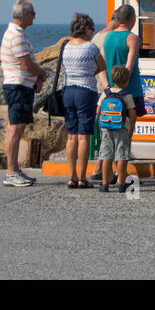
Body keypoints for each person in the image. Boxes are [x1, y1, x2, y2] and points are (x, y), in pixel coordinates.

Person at [1, 0, 46, 187]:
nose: (35, 17)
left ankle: (15, 170)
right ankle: (11, 172)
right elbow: (25, 64)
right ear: (25, 14)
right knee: (16, 128)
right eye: (33, 13)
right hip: (17, 86)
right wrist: (42, 73)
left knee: (18, 128)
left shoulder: (17, 33)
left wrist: (35, 79)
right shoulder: (16, 35)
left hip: (22, 86)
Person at [62, 13, 107, 188]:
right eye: (92, 29)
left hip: (68, 90)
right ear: (86, 29)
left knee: (71, 135)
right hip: (85, 91)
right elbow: (101, 67)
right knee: (84, 136)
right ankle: (82, 177)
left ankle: (71, 176)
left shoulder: (65, 47)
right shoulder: (91, 48)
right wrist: (88, 73)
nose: (92, 32)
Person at [102, 4, 144, 176]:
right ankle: (121, 173)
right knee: (127, 133)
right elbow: (130, 64)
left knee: (110, 131)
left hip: (110, 89)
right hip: (130, 90)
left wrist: (106, 86)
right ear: (132, 19)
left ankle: (107, 171)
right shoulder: (132, 38)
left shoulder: (108, 37)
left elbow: (102, 63)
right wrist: (124, 82)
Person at [98, 66, 136, 193]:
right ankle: (120, 182)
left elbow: (98, 109)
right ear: (126, 81)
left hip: (106, 128)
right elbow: (132, 114)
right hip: (122, 129)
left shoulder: (105, 93)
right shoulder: (126, 95)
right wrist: (131, 129)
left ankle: (104, 183)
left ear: (112, 79)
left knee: (106, 156)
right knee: (121, 156)